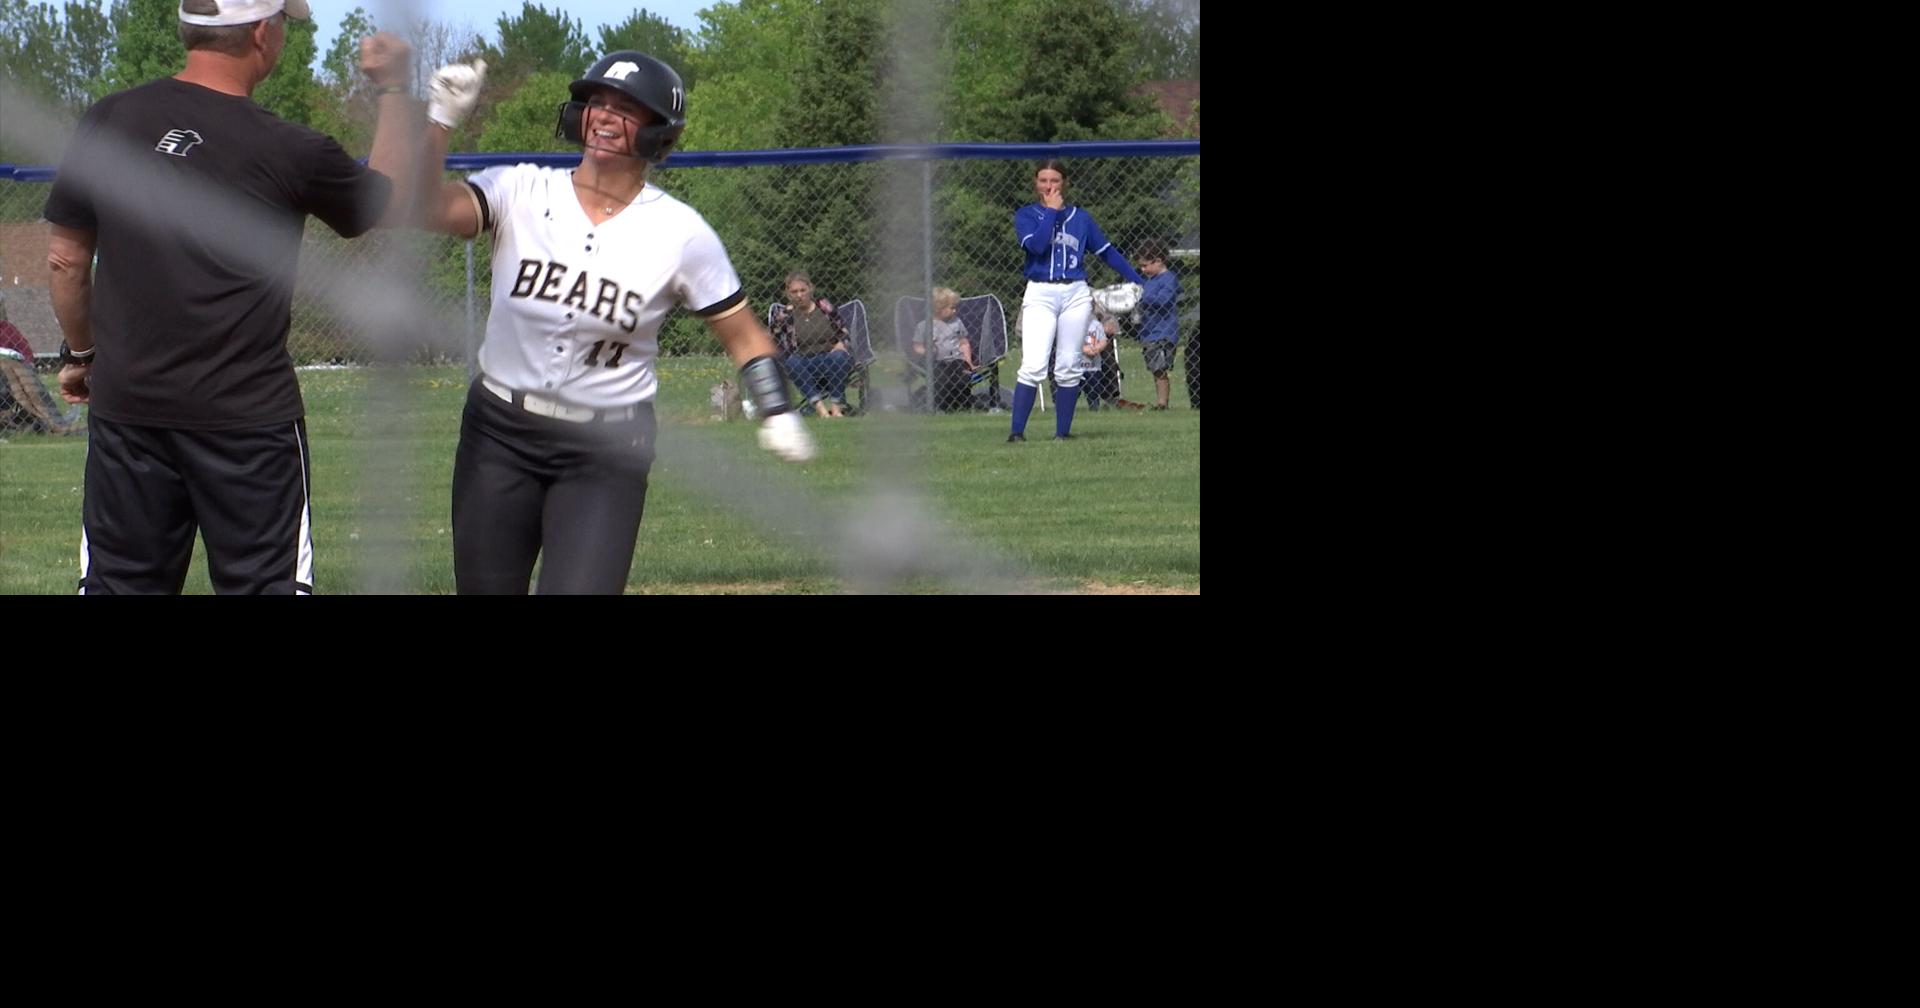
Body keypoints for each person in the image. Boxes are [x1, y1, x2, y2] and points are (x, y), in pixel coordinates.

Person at [402, 49, 816, 594]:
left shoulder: (681, 232)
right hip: (500, 433)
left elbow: (745, 337)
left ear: (660, 133)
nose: (604, 117)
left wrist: (776, 410)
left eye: (626, 109)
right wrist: (440, 121)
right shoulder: (520, 190)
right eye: (597, 102)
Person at [41, 0, 418, 594]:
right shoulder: (289, 146)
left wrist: (83, 355)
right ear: (263, 34)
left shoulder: (109, 118)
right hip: (248, 424)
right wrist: (394, 88)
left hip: (129, 413)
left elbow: (65, 260)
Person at [1007, 159, 1145, 442]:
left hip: (1075, 293)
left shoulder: (1080, 218)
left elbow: (1107, 252)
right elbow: (1037, 246)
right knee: (1033, 364)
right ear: (1035, 183)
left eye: (1055, 180)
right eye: (1043, 180)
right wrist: (1051, 211)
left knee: (1069, 365)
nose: (1049, 186)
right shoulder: (1027, 215)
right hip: (1041, 292)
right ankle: (1017, 433)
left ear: (1065, 183)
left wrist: (1138, 280)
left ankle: (1062, 434)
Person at [769, 271, 852, 418]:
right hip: (803, 362)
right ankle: (821, 410)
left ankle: (836, 408)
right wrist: (785, 314)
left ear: (810, 289)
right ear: (788, 293)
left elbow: (843, 330)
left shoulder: (823, 306)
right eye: (794, 292)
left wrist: (842, 343)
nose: (799, 295)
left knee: (840, 356)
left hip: (829, 357)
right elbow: (772, 337)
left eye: (803, 290)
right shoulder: (785, 315)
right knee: (791, 362)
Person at [1, 294, 86, 435]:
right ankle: (54, 423)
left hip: (13, 376)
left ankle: (54, 422)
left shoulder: (7, 329)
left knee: (15, 370)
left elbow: (26, 354)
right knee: (9, 367)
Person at [912, 287, 976, 412]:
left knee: (962, 377)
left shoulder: (957, 322)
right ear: (938, 308)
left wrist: (968, 361)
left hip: (956, 359)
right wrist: (927, 352)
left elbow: (963, 342)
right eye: (952, 308)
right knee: (941, 378)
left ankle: (963, 404)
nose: (955, 310)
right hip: (936, 361)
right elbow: (917, 346)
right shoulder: (924, 326)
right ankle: (942, 405)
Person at [1134, 240, 1181, 410]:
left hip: (1164, 332)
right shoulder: (1149, 281)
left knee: (1160, 368)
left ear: (1158, 261)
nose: (1143, 269)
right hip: (1149, 332)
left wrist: (1142, 297)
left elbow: (1164, 300)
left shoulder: (1168, 279)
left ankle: (1162, 404)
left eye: (1145, 265)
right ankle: (1160, 402)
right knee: (1155, 369)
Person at [1078, 304, 1119, 411]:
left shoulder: (1096, 325)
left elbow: (1103, 340)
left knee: (1093, 390)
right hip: (1076, 367)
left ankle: (1094, 408)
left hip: (1093, 367)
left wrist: (1098, 348)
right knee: (1074, 390)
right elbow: (1070, 342)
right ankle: (1068, 406)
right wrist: (1083, 349)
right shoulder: (1074, 325)